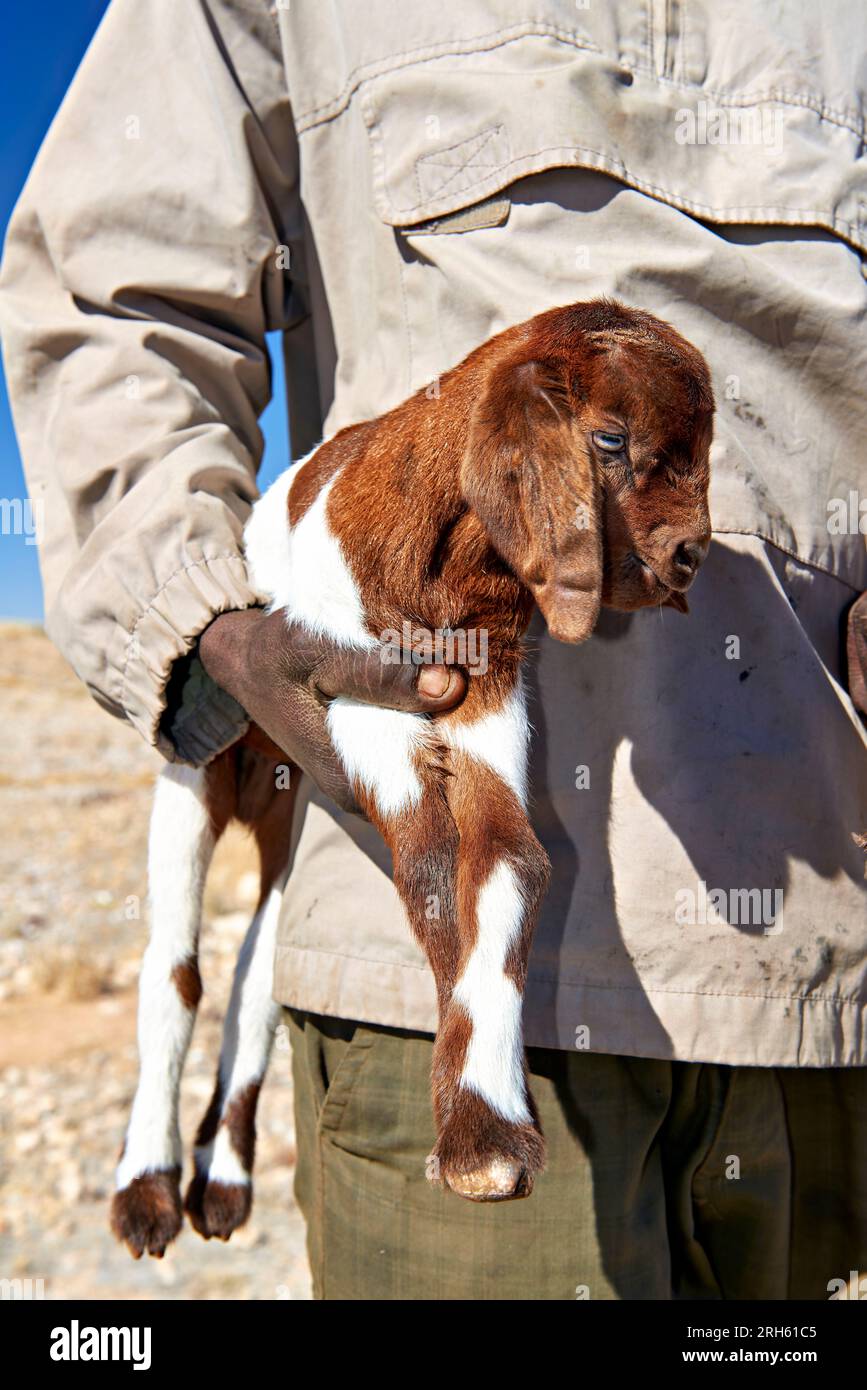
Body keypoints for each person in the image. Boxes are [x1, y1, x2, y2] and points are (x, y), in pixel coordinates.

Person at [2, 0, 866, 1301]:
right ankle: (184, 1126)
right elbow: (107, 287)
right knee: (207, 900)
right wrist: (208, 625)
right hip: (424, 954)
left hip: (830, 969)